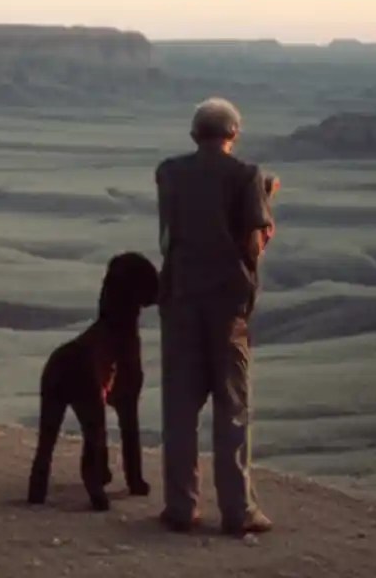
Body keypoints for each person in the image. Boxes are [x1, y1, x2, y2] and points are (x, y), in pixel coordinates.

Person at [154, 96, 275, 536]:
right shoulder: (246, 176)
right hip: (228, 309)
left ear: (194, 134)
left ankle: (181, 507)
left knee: (180, 407)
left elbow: (170, 235)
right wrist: (265, 209)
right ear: (234, 134)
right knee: (232, 408)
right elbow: (253, 245)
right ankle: (238, 510)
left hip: (181, 302)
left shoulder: (169, 172)